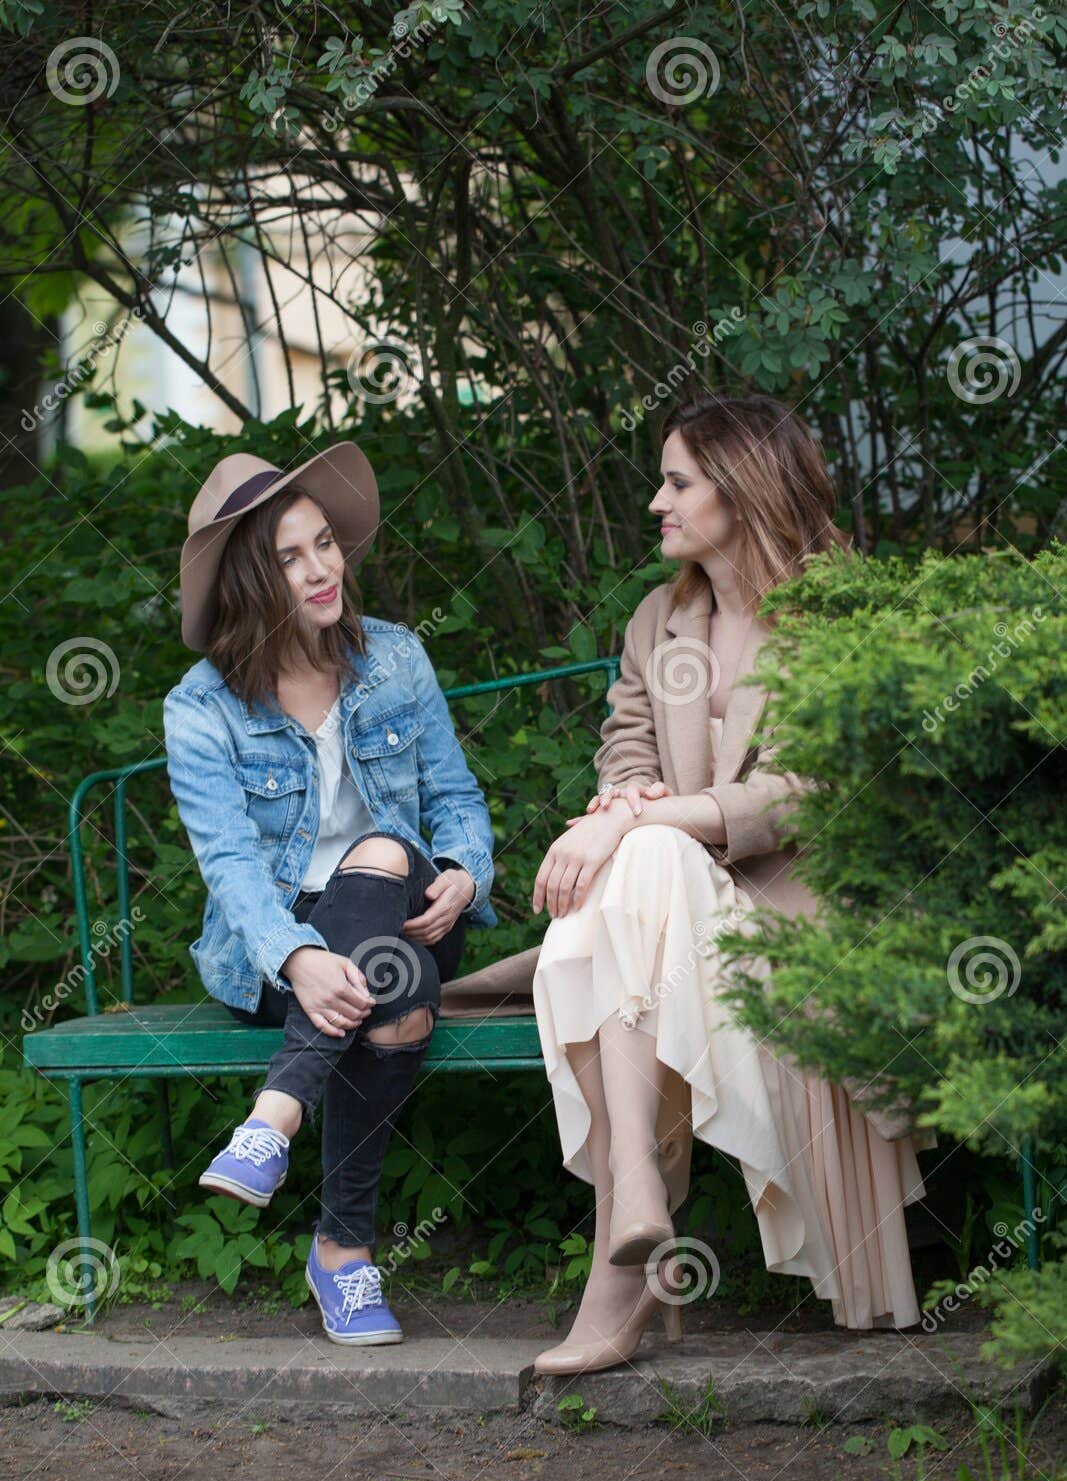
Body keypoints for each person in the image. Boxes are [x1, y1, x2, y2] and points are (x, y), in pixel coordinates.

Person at [438, 392, 935, 1373]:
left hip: (804, 922)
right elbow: (624, 752)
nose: (655, 503)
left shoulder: (837, 610)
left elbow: (805, 793)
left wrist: (641, 819)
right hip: (672, 921)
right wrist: (630, 800)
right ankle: (632, 1216)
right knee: (635, 874)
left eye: (676, 482)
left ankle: (626, 1226)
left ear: (739, 489)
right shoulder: (657, 620)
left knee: (640, 864)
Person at [163, 444, 496, 1347]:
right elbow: (229, 867)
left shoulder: (395, 659)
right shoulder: (200, 710)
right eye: (289, 557)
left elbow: (457, 801)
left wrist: (466, 875)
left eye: (325, 544)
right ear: (247, 581)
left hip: (418, 912)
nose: (321, 571)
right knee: (397, 1008)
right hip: (278, 949)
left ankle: (272, 1120)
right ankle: (343, 1254)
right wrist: (301, 957)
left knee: (387, 846)